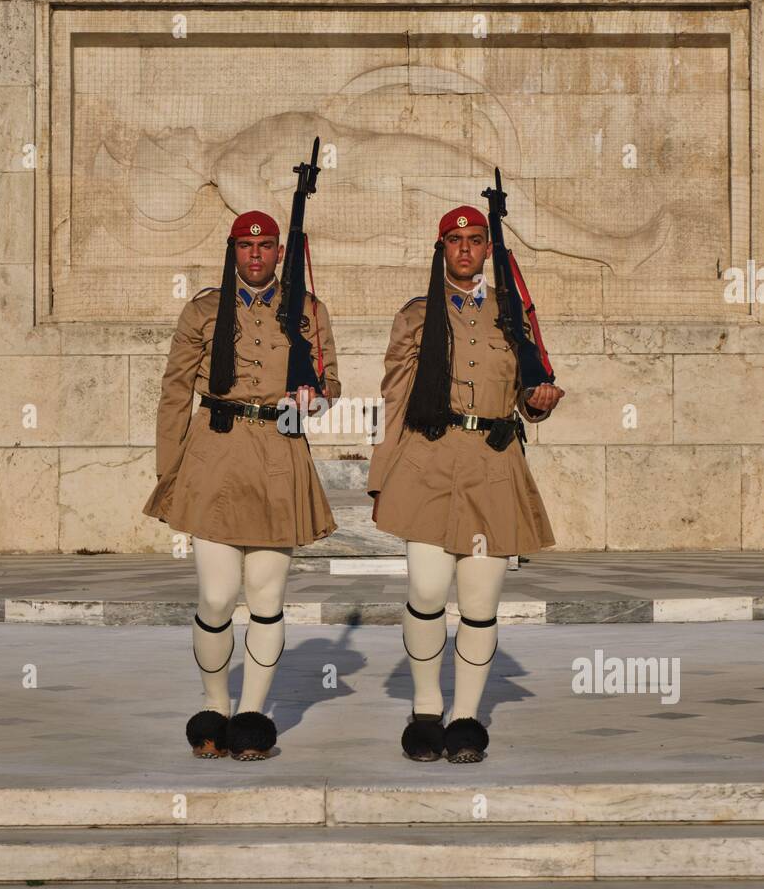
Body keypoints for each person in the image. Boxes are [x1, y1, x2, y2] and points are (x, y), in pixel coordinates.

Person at [367, 205, 564, 763]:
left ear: (486, 250)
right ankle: (427, 707)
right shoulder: (416, 315)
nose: (465, 249)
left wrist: (540, 402)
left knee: (479, 602)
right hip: (427, 463)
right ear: (441, 248)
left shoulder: (513, 315)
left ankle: (466, 717)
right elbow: (395, 400)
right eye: (454, 240)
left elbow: (530, 393)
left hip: (492, 466)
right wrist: (382, 479)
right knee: (427, 592)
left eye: (475, 240)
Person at [143, 210, 340, 761]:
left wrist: (314, 400)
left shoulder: (307, 311)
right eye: (246, 247)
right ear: (232, 250)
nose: (256, 256)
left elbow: (331, 385)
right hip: (215, 452)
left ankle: (252, 715)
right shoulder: (204, 310)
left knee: (267, 597)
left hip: (278, 452)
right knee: (214, 595)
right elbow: (174, 392)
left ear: (281, 252)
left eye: (267, 247)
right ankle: (215, 706)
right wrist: (171, 471)